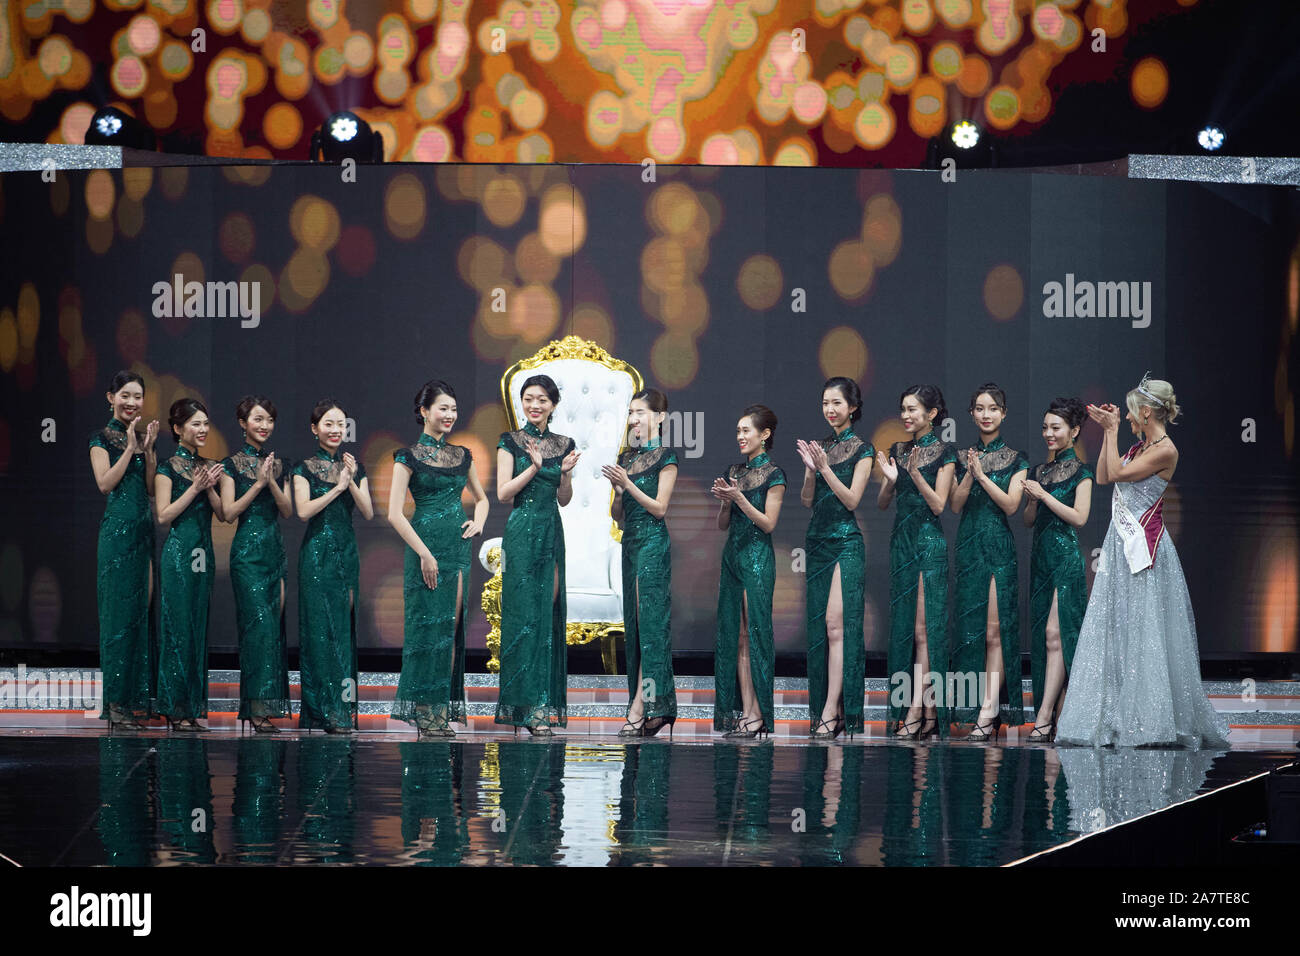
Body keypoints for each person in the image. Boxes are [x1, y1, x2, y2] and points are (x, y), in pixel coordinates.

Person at [1055, 373, 1230, 748]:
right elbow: (1105, 476)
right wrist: (1108, 434)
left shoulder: (1165, 450)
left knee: (1145, 632)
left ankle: (1148, 720)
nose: (1131, 420)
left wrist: (1113, 429)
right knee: (1118, 628)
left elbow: (1114, 473)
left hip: (1144, 550)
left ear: (1147, 412)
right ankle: (1116, 715)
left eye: (1134, 414)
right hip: (1120, 547)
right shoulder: (1137, 449)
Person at [388, 380, 488, 738]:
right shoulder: (407, 456)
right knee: (425, 631)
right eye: (442, 408)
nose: (449, 415)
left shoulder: (462, 455)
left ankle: (439, 710)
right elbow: (394, 514)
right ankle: (424, 711)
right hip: (423, 550)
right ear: (424, 411)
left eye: (454, 409)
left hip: (456, 551)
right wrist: (425, 554)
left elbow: (482, 499)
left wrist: (478, 523)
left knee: (449, 631)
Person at [495, 374, 579, 736]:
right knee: (522, 617)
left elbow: (564, 498)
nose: (534, 406)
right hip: (520, 531)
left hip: (551, 529)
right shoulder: (509, 441)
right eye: (529, 399)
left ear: (553, 405)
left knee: (547, 616)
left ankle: (543, 705)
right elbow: (502, 492)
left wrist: (565, 475)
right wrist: (534, 466)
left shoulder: (564, 443)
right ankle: (522, 705)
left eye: (542, 400)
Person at [877, 385, 957, 739]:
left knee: (927, 630)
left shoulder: (946, 452)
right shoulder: (898, 450)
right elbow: (882, 503)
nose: (906, 416)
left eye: (913, 410)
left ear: (932, 414)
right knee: (909, 629)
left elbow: (939, 505)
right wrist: (892, 481)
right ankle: (922, 712)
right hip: (902, 542)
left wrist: (917, 475)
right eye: (903, 409)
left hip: (928, 542)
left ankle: (919, 710)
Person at [795, 377, 874, 739]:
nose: (830, 409)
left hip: (845, 543)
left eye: (837, 403)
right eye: (825, 402)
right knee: (823, 629)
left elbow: (853, 500)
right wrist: (812, 470)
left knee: (837, 627)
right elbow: (808, 501)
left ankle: (833, 709)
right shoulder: (819, 447)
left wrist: (825, 467)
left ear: (852, 408)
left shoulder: (863, 450)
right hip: (817, 541)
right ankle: (830, 707)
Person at [949, 383, 1028, 740]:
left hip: (998, 547)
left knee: (996, 631)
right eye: (979, 408)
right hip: (969, 548)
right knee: (972, 633)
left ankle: (989, 708)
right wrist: (969, 471)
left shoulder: (1017, 458)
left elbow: (1012, 505)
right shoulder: (962, 457)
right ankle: (973, 707)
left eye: (993, 408)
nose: (986, 414)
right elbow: (954, 504)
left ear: (1004, 413)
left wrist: (982, 475)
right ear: (971, 414)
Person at [291, 400, 373, 734]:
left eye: (340, 423)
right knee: (318, 633)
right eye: (328, 423)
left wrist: (350, 480)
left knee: (343, 631)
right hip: (316, 555)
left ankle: (341, 710)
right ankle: (319, 711)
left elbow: (368, 511)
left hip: (346, 553)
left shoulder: (355, 467)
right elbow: (303, 511)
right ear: (315, 429)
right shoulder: (303, 468)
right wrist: (338, 486)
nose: (335, 430)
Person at [603, 388, 678, 738]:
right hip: (630, 544)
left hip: (652, 544)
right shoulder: (626, 457)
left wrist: (628, 484)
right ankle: (648, 706)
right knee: (634, 628)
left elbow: (660, 508)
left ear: (659, 418)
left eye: (641, 413)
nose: (634, 419)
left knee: (650, 627)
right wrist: (619, 493)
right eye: (631, 412)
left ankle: (645, 705)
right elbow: (619, 517)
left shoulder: (666, 456)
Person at [88, 371, 159, 731]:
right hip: (116, 536)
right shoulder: (100, 439)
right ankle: (114, 703)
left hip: (143, 534)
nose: (132, 403)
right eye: (125, 396)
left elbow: (149, 488)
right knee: (117, 620)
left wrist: (146, 452)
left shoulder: (144, 438)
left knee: (137, 619)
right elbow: (105, 484)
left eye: (137, 397)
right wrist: (130, 449)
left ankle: (131, 702)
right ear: (110, 397)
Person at [1020, 397, 1093, 742]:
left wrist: (1045, 496)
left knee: (1056, 635)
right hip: (1041, 560)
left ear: (1074, 431)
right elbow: (1028, 520)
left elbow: (1079, 518)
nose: (1048, 433)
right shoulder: (1038, 471)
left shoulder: (1082, 472)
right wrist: (1034, 500)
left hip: (1065, 559)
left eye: (1056, 428)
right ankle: (1054, 713)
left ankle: (1046, 715)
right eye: (1045, 427)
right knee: (1046, 639)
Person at [219, 396, 293, 733]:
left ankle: (265, 707)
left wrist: (272, 481)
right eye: (258, 419)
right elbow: (229, 512)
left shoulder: (280, 463)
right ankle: (253, 708)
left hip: (274, 552)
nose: (264, 426)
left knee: (273, 631)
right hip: (247, 554)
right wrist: (259, 484)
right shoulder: (230, 465)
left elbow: (288, 510)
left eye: (269, 420)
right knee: (257, 629)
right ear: (243, 423)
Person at [712, 404, 785, 739]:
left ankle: (758, 714)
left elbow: (768, 523)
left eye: (746, 431)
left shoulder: (774, 474)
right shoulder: (734, 471)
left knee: (755, 635)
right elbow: (722, 524)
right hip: (733, 557)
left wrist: (739, 497)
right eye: (738, 431)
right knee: (737, 637)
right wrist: (727, 502)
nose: (740, 436)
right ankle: (745, 710)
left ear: (764, 435)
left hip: (757, 557)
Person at [154, 398, 226, 732]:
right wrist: (196, 487)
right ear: (178, 428)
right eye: (195, 424)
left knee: (197, 630)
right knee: (177, 629)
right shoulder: (167, 468)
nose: (202, 430)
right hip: (179, 556)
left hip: (203, 555)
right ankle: (173, 706)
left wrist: (209, 489)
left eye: (205, 424)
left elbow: (224, 514)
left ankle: (191, 708)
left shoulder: (211, 466)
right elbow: (164, 515)